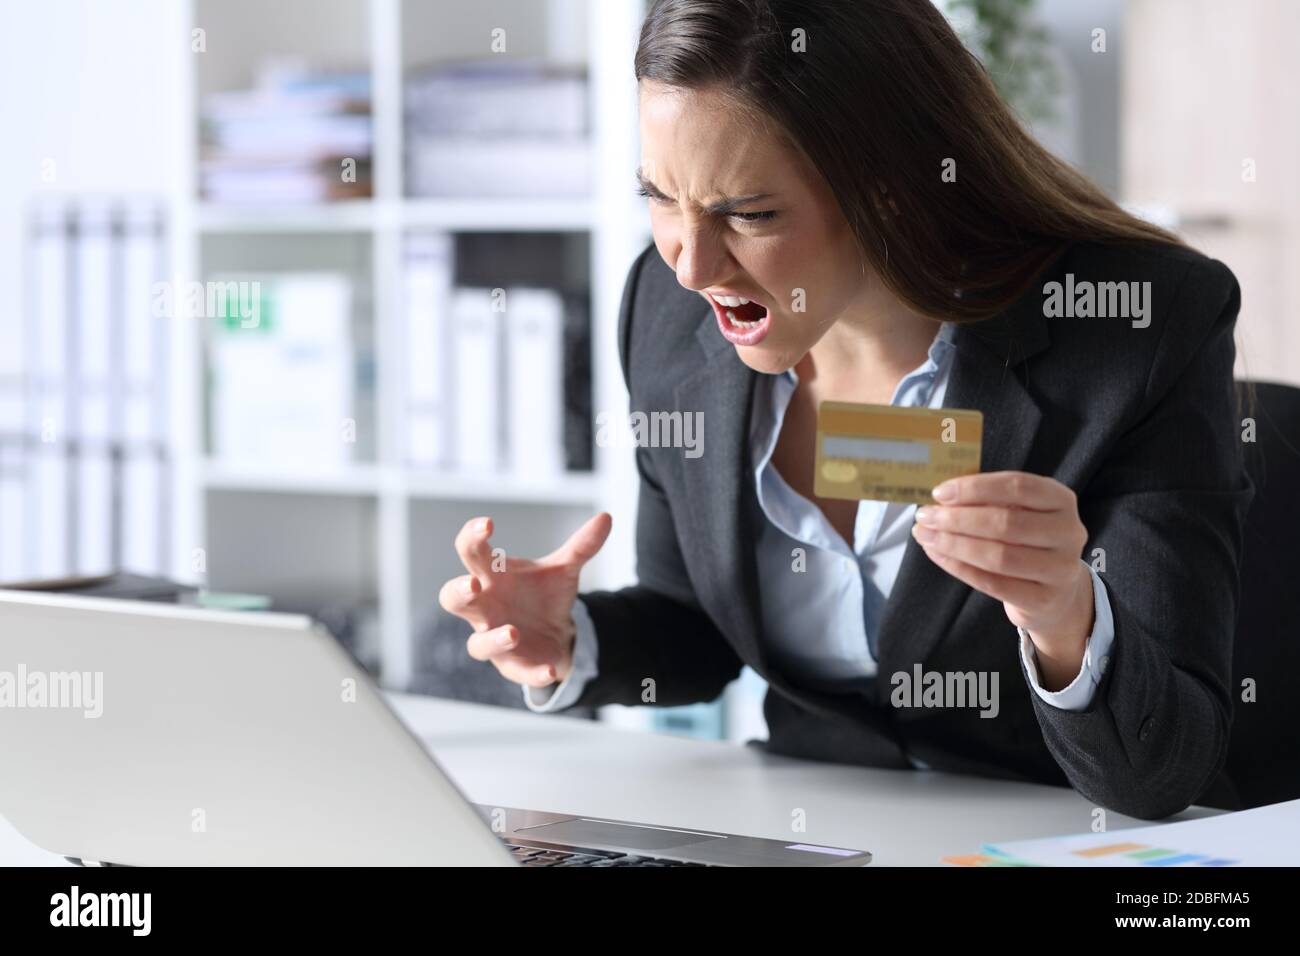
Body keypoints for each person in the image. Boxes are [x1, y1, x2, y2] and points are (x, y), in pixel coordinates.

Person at [439, 0, 1251, 820]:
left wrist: (1066, 617)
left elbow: (1161, 772)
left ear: (889, 188)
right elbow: (697, 624)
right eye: (659, 196)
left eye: (748, 214)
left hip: (1059, 830)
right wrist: (573, 639)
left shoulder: (1138, 327)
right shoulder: (667, 310)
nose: (690, 265)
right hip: (816, 824)